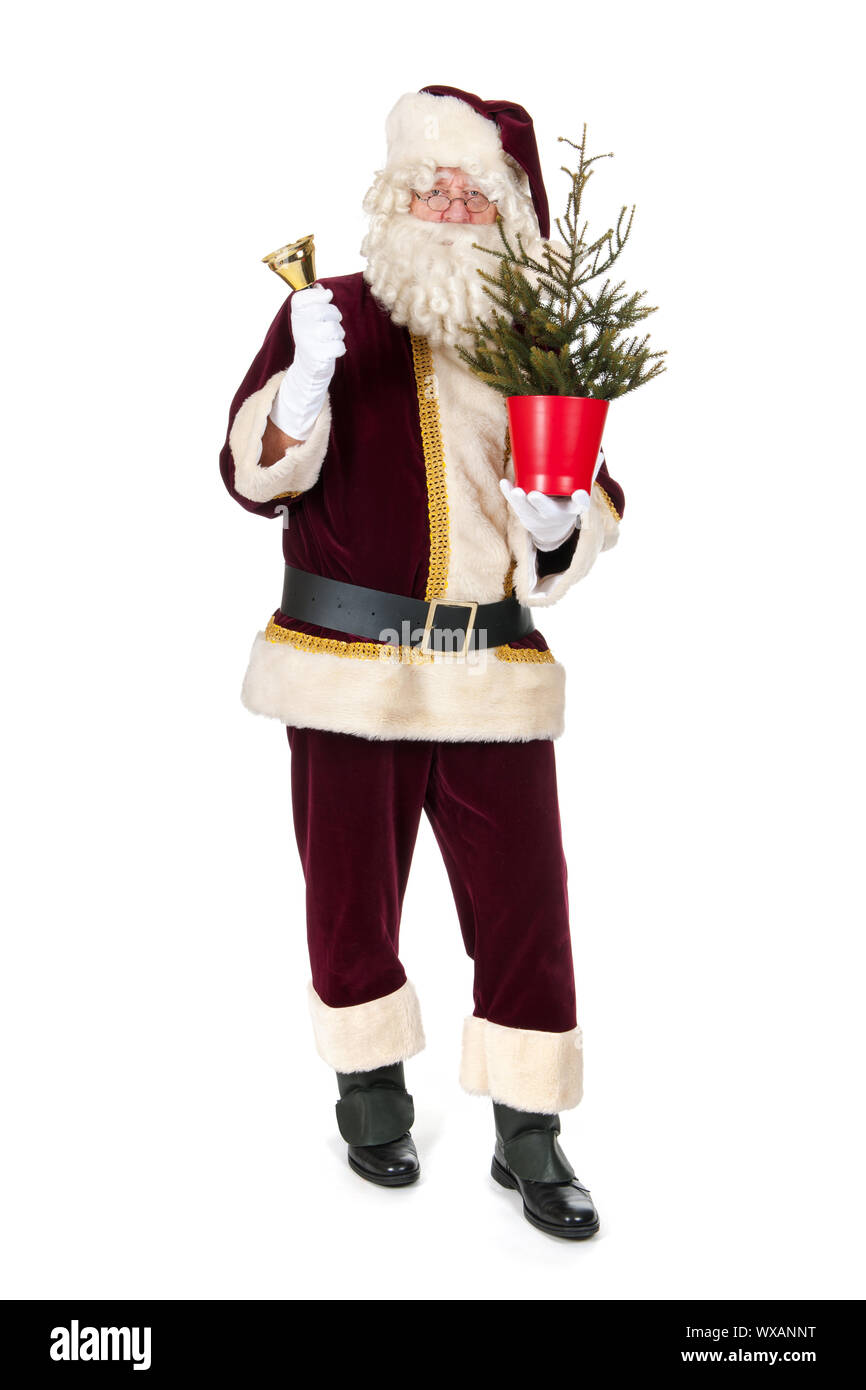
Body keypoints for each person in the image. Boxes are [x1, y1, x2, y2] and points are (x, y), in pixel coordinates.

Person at [219, 84, 624, 1240]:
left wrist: (556, 528)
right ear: (392, 199)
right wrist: (296, 390)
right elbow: (251, 475)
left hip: (489, 670)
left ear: (504, 210)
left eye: (469, 188)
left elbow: (589, 492)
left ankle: (528, 1129)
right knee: (348, 894)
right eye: (426, 185)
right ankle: (369, 1087)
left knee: (526, 909)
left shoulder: (536, 340)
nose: (447, 204)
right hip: (344, 663)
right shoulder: (331, 310)